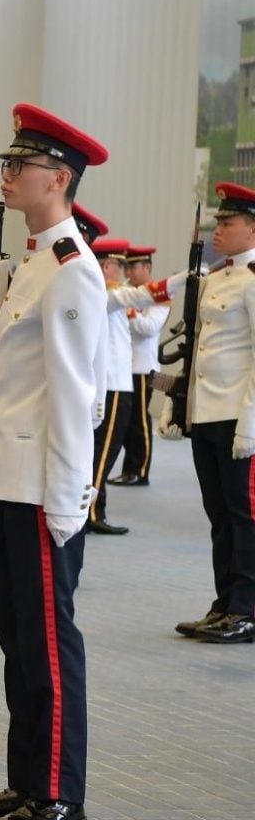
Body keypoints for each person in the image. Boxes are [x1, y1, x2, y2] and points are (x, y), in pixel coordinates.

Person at [0, 102, 108, 820]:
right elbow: (7, 383)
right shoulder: (37, 260)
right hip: (6, 479)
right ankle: (25, 780)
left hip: (42, 487)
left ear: (60, 177)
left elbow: (77, 396)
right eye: (9, 163)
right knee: (19, 642)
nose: (9, 176)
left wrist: (71, 497)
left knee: (48, 641)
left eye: (23, 165)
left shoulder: (72, 268)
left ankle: (60, 796)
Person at [162, 183, 255, 643]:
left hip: (239, 419)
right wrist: (176, 402)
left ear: (252, 228)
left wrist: (251, 426)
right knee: (218, 514)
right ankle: (224, 604)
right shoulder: (215, 279)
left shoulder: (254, 281)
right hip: (206, 414)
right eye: (217, 221)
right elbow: (194, 348)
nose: (218, 229)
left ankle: (246, 608)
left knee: (244, 516)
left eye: (228, 222)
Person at [85, 237, 135, 534]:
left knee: (103, 450)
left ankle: (94, 508)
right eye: (118, 264)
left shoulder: (105, 293)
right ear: (106, 266)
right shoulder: (105, 294)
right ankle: (90, 511)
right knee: (103, 451)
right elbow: (141, 296)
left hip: (117, 383)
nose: (121, 270)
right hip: (113, 385)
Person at [110, 245, 167, 486]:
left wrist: (129, 310)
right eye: (127, 266)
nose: (129, 272)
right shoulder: (123, 291)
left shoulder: (159, 296)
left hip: (143, 367)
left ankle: (140, 470)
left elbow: (148, 329)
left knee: (139, 422)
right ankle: (128, 468)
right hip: (123, 366)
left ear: (147, 268)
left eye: (134, 266)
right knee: (124, 421)